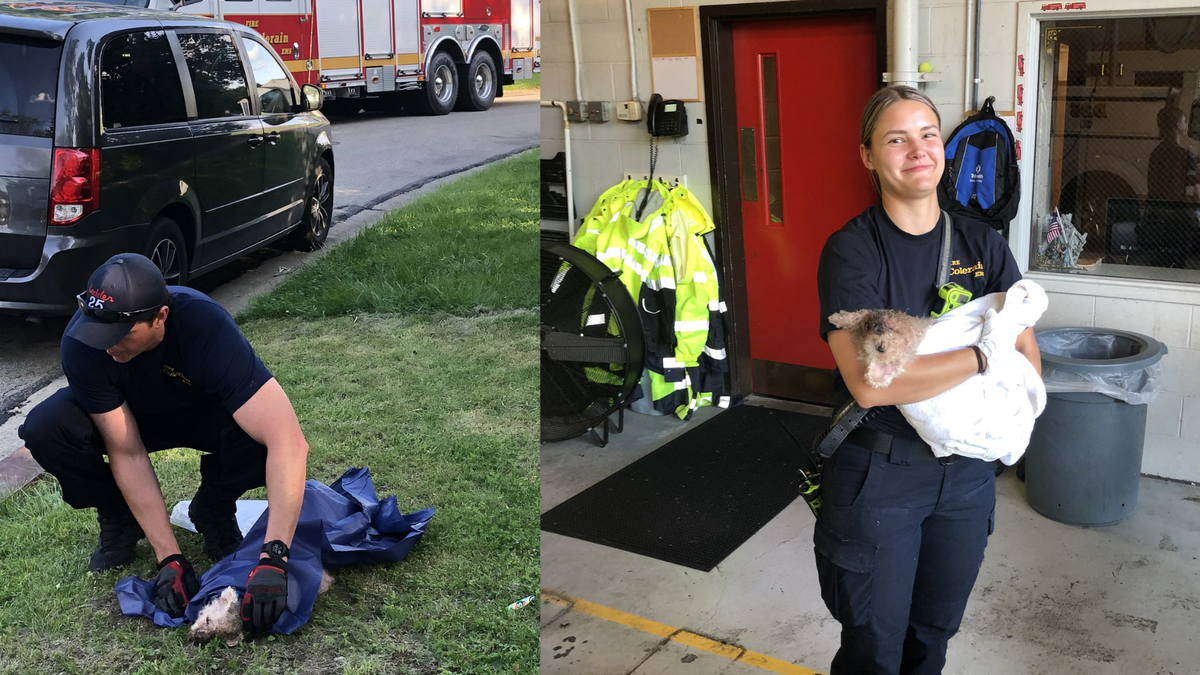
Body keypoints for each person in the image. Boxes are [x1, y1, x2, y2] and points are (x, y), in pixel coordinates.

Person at [814, 85, 1042, 675]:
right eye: (897, 139)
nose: (918, 150)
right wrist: (984, 357)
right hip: (881, 475)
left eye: (928, 135)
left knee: (932, 637)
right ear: (868, 156)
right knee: (874, 648)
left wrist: (992, 376)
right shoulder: (853, 252)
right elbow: (875, 383)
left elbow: (1026, 356)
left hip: (967, 474)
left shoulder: (983, 243)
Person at [18, 253, 309, 634]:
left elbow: (288, 442)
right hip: (132, 418)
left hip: (202, 413)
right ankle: (120, 515)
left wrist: (274, 558)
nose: (107, 346)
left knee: (260, 433)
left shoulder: (204, 324)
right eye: (98, 332)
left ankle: (214, 508)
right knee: (47, 426)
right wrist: (168, 557)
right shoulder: (82, 343)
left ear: (160, 317)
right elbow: (127, 451)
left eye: (120, 334)